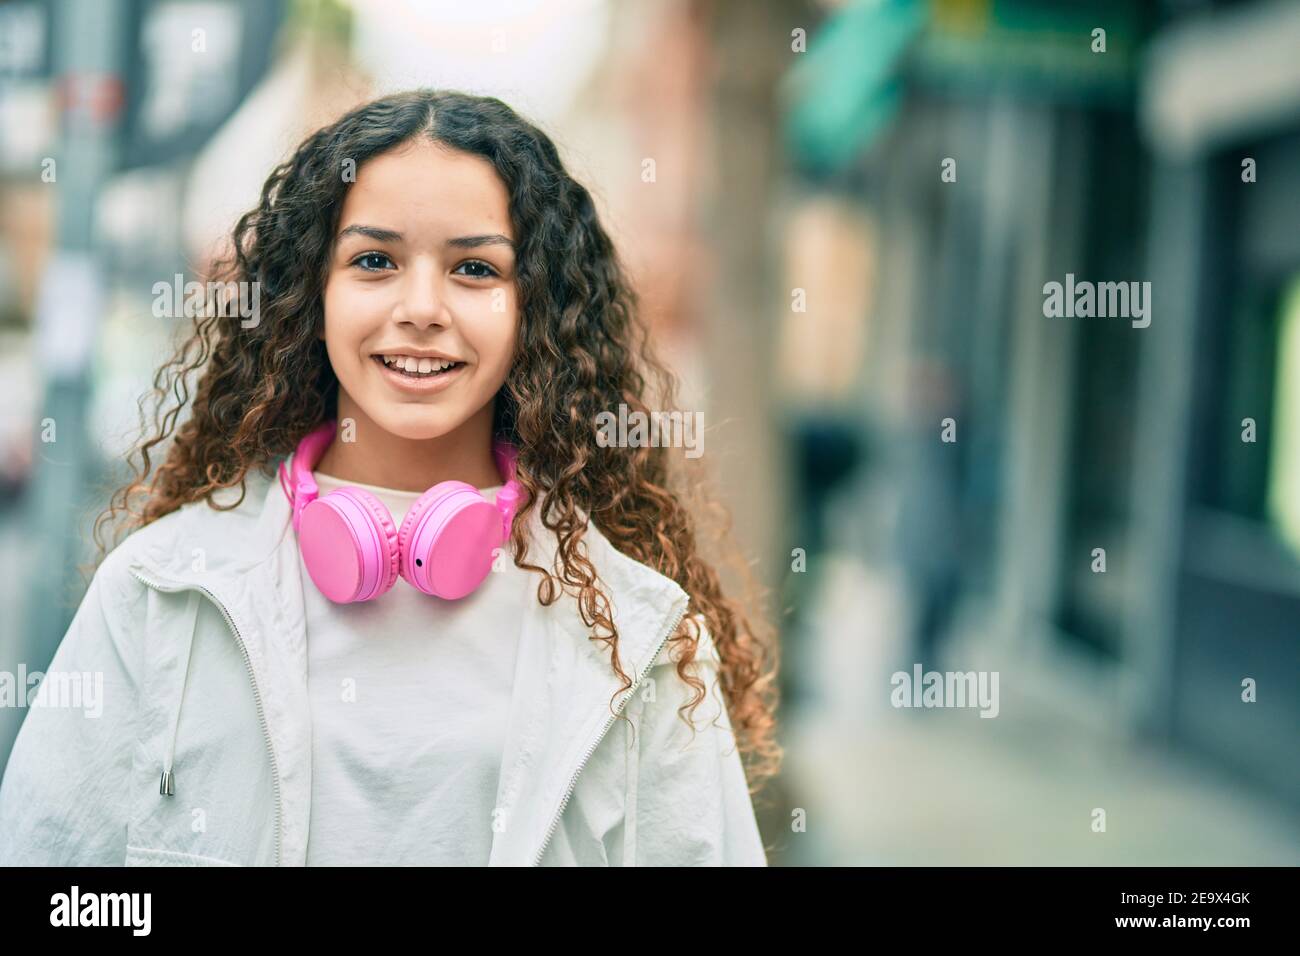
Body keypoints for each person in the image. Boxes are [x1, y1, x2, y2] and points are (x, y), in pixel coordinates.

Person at [0, 90, 779, 866]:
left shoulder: (639, 637)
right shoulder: (160, 591)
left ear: (533, 309)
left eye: (475, 268)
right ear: (313, 293)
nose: (421, 307)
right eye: (374, 260)